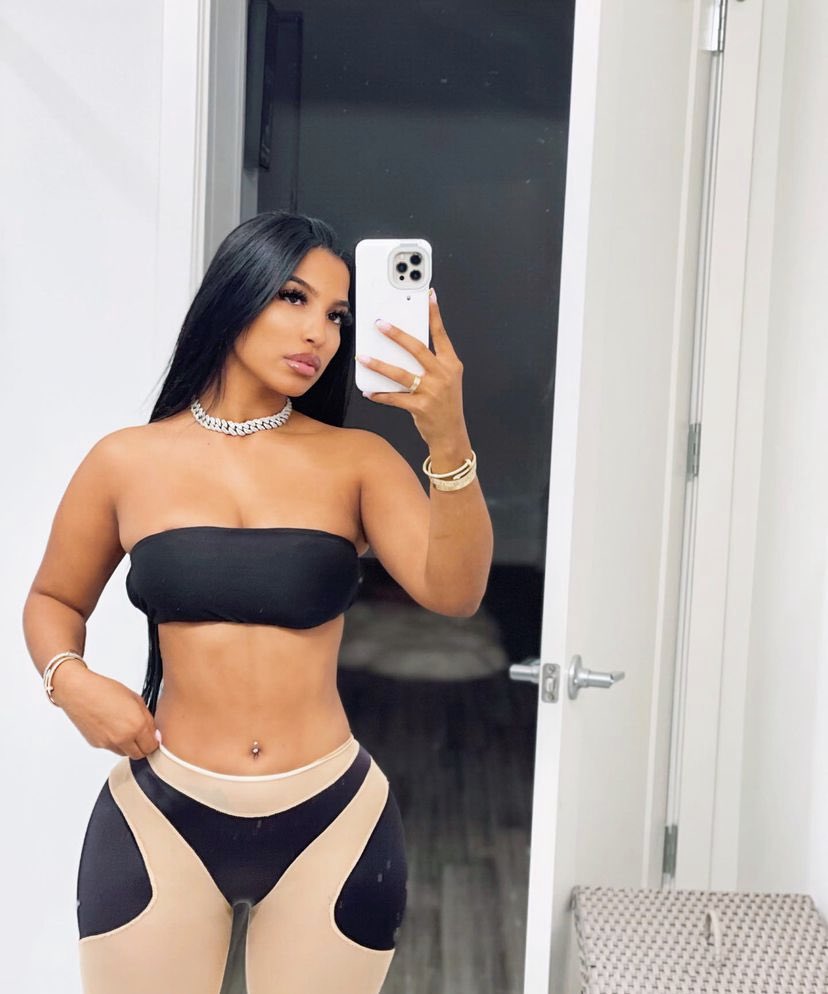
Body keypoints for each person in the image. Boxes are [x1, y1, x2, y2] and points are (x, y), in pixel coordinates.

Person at [22, 210, 493, 994]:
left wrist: (449, 438)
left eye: (336, 315)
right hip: (160, 813)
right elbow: (52, 598)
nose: (319, 333)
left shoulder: (357, 462)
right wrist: (71, 682)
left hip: (332, 818)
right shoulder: (126, 462)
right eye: (293, 298)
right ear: (236, 294)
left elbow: (456, 591)